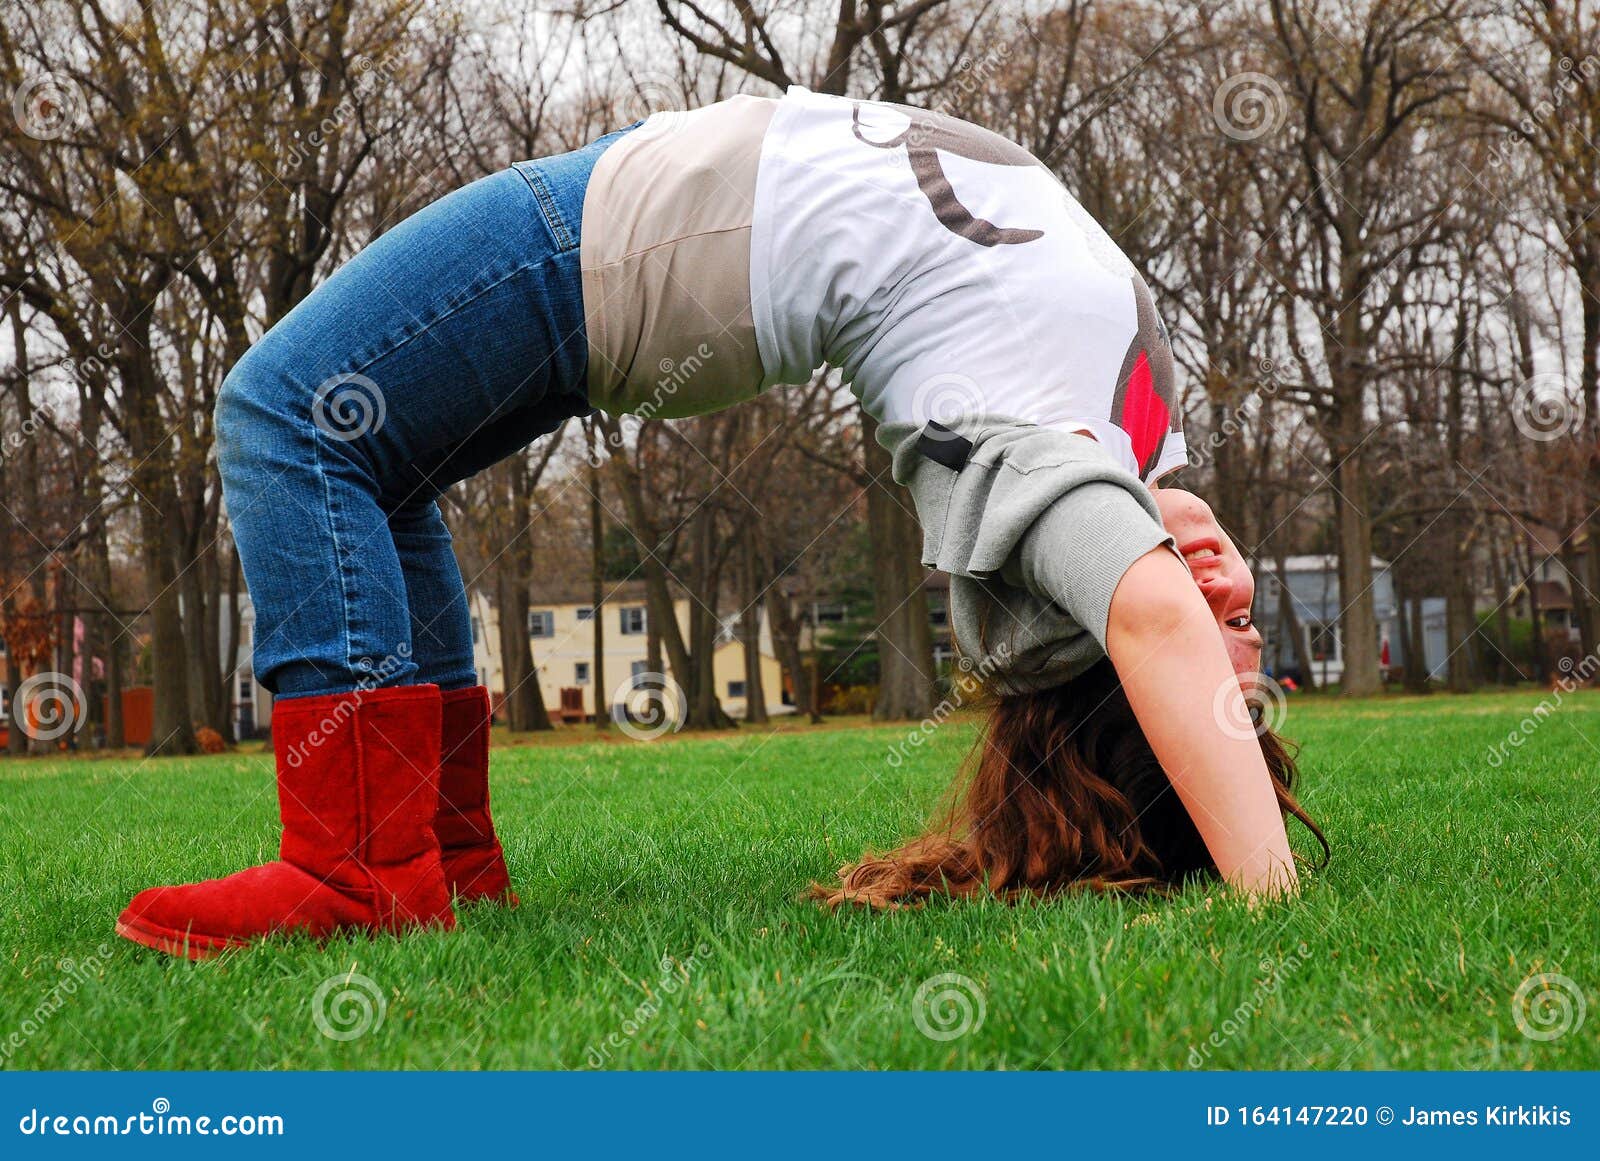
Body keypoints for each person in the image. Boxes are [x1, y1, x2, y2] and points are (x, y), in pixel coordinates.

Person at [116, 88, 1323, 959]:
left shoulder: (1033, 489)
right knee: (379, 470)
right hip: (664, 227)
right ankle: (442, 866)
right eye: (1255, 640)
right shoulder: (1123, 453)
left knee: (283, 413)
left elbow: (1150, 613)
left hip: (631, 241)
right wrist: (1179, 522)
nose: (1240, 628)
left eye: (1232, 696)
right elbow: (1154, 581)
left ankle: (357, 871)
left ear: (1128, 679)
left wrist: (1269, 898)